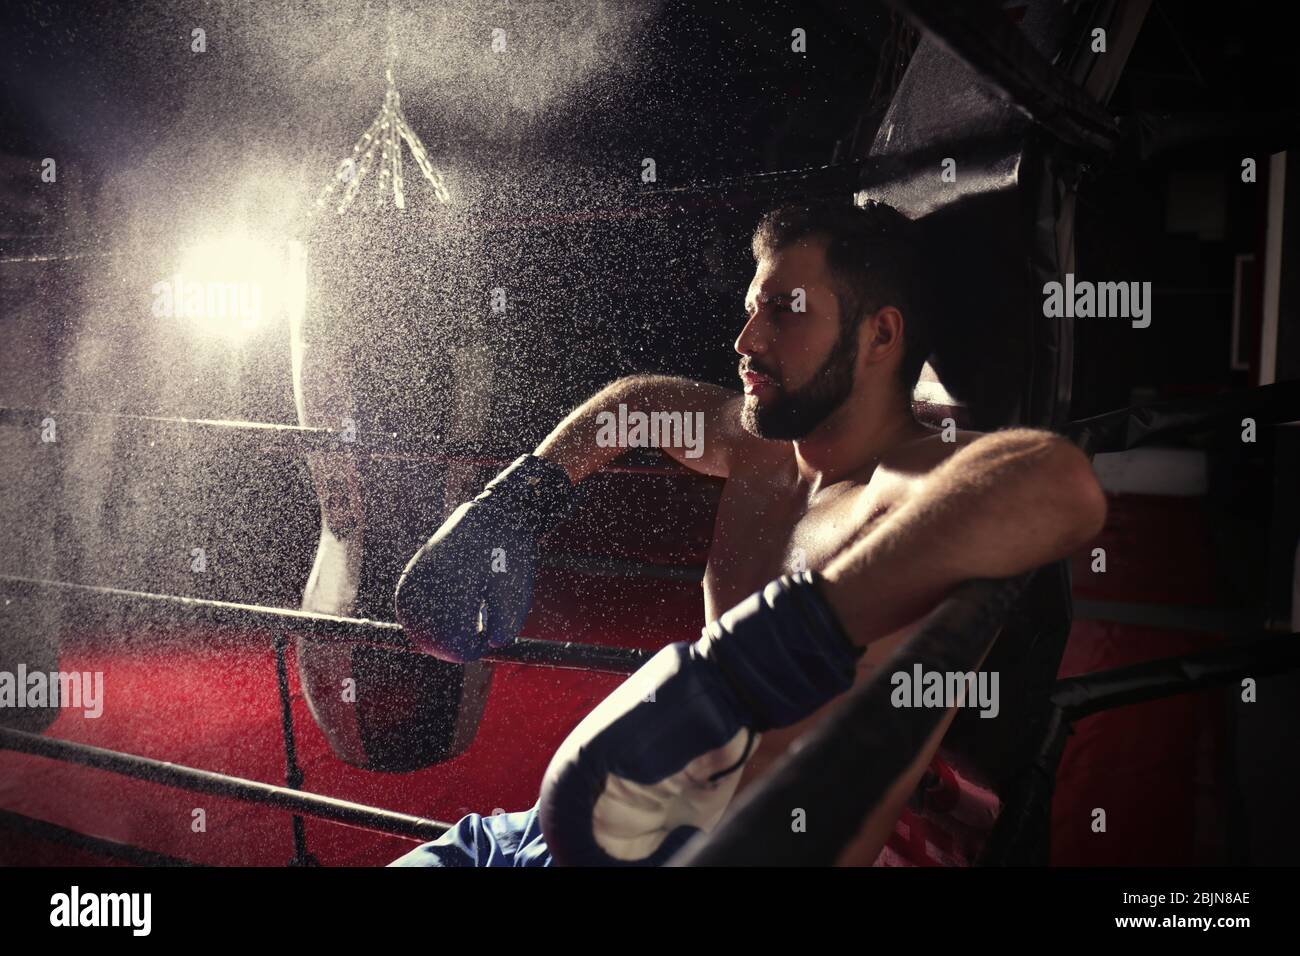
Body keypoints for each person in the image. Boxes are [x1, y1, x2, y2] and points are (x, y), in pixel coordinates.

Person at [389, 199, 1107, 866]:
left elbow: (1057, 484)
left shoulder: (904, 481)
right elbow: (635, 406)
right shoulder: (756, 443)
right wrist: (519, 501)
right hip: (535, 842)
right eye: (750, 309)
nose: (746, 339)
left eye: (784, 313)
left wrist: (770, 652)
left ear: (880, 334)